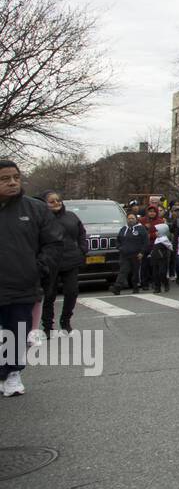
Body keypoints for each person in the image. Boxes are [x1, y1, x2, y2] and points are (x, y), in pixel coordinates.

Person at [1, 161, 63, 396]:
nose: (12, 182)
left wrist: (38, 268)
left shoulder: (35, 209)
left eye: (16, 177)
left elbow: (54, 243)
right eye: (5, 178)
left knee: (16, 331)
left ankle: (13, 374)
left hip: (23, 284)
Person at [42, 192, 88, 335]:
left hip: (71, 260)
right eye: (52, 201)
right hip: (50, 262)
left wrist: (82, 249)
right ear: (45, 203)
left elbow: (82, 233)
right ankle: (48, 326)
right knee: (49, 295)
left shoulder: (71, 216)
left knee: (72, 292)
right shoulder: (42, 218)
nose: (56, 203)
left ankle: (65, 320)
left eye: (58, 200)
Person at [112, 212, 149, 294]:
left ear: (136, 219)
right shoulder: (123, 229)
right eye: (129, 218)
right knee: (123, 271)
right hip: (125, 255)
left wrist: (142, 252)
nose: (131, 220)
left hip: (136, 254)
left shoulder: (141, 229)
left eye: (132, 218)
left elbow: (146, 242)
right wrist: (120, 248)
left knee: (135, 272)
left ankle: (135, 287)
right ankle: (117, 287)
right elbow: (118, 240)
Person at [148, 223, 173, 293]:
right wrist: (151, 254)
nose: (155, 232)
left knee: (162, 272)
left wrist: (167, 252)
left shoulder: (164, 239)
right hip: (155, 258)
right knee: (155, 273)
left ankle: (166, 284)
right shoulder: (157, 239)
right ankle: (157, 287)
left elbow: (170, 247)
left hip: (162, 258)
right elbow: (154, 248)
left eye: (157, 231)